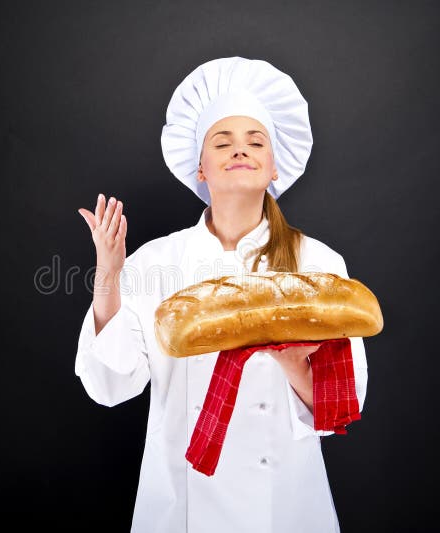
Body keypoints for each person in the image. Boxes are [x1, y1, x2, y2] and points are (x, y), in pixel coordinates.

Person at [75, 57, 369, 533]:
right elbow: (110, 386)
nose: (241, 151)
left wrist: (294, 363)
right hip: (180, 505)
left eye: (256, 142)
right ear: (200, 168)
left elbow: (341, 406)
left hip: (285, 510)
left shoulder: (317, 266)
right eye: (222, 141)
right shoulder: (156, 262)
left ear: (275, 166)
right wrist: (108, 275)